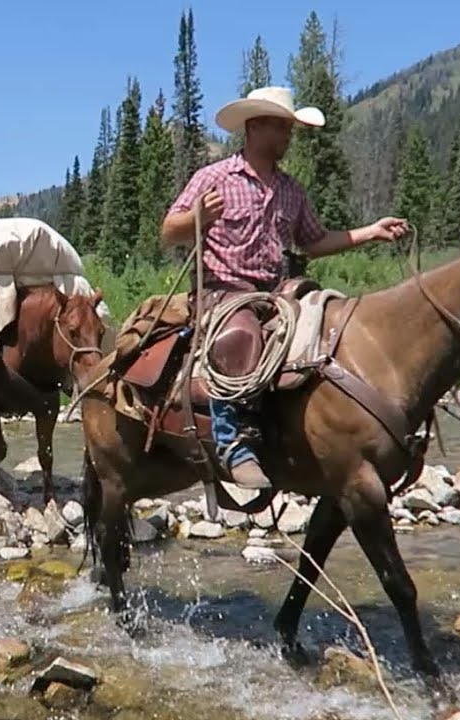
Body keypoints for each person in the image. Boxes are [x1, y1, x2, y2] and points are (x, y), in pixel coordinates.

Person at [160, 86, 410, 491]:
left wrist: (371, 232)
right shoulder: (214, 177)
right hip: (222, 289)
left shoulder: (291, 189)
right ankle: (232, 441)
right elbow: (169, 232)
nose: (287, 136)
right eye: (280, 127)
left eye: (289, 129)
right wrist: (197, 218)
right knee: (240, 332)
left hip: (279, 289)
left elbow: (313, 240)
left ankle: (314, 428)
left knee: (328, 327)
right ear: (254, 127)